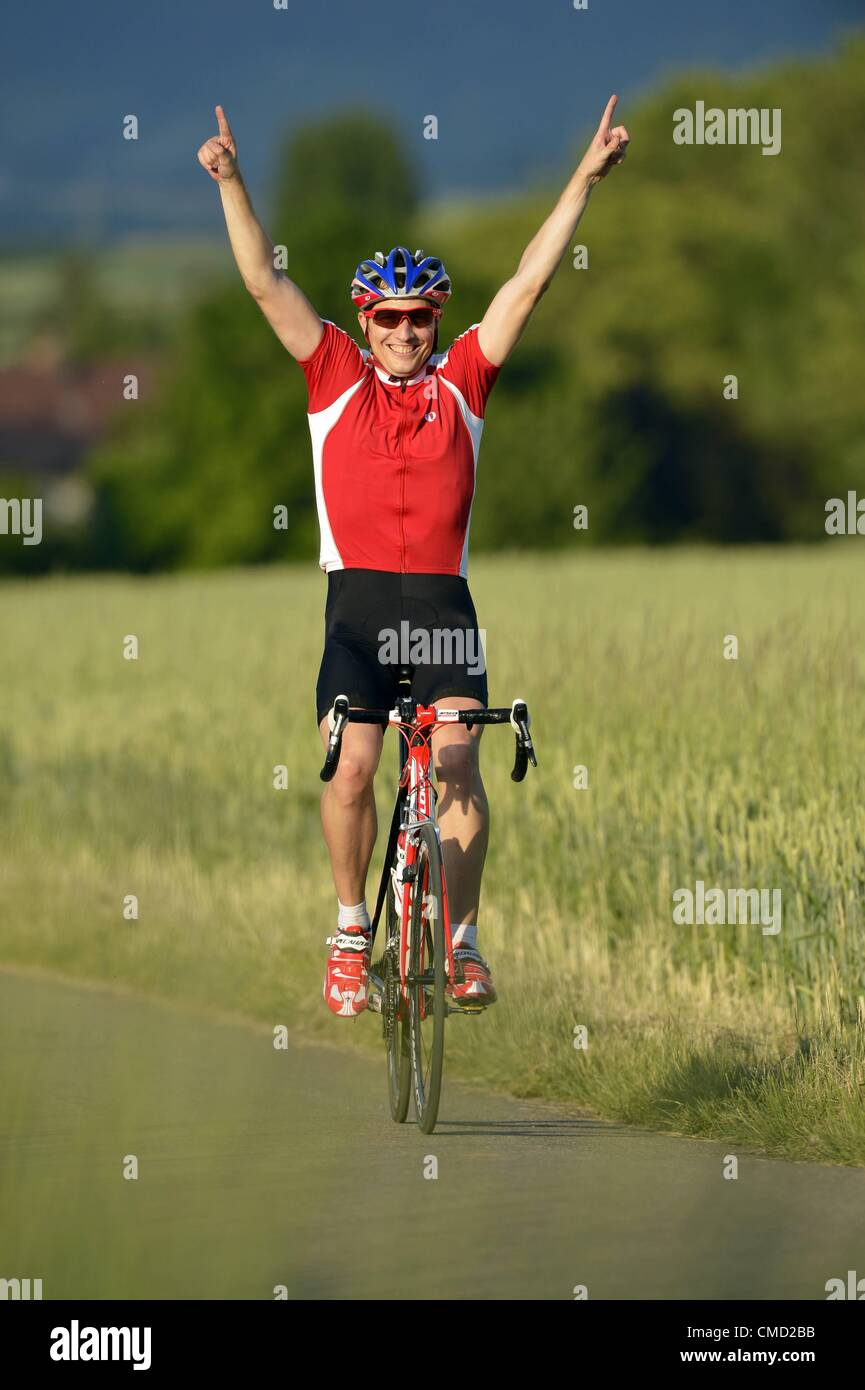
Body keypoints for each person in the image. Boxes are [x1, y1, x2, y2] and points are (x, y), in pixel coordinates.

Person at [197, 97, 629, 1018]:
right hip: (353, 612)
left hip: (440, 615)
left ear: (436, 321)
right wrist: (233, 183)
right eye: (388, 317)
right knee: (352, 769)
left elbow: (526, 283)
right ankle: (352, 928)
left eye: (419, 318)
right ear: (367, 318)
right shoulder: (332, 378)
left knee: (462, 762)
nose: (402, 331)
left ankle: (463, 944)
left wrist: (583, 180)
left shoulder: (466, 382)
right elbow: (265, 287)